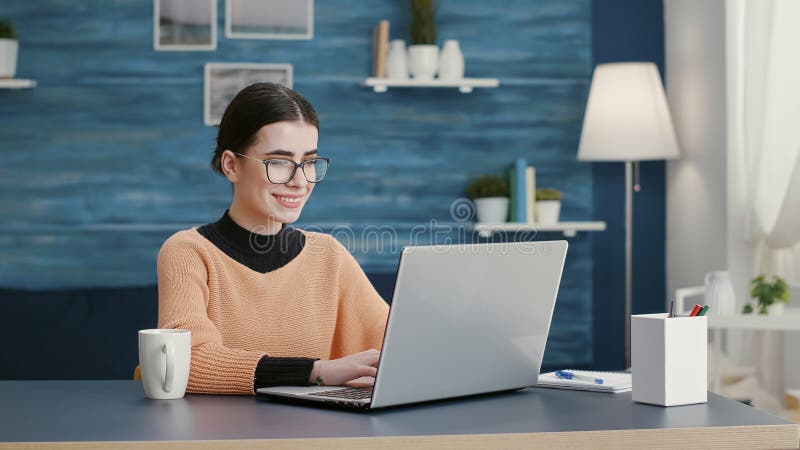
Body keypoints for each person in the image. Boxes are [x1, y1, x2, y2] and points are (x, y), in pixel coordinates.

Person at [156, 82, 390, 395]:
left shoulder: (329, 256)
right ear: (231, 165)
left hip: (313, 439)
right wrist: (316, 371)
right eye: (278, 162)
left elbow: (398, 343)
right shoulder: (188, 252)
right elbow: (185, 362)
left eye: (308, 162)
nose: (299, 181)